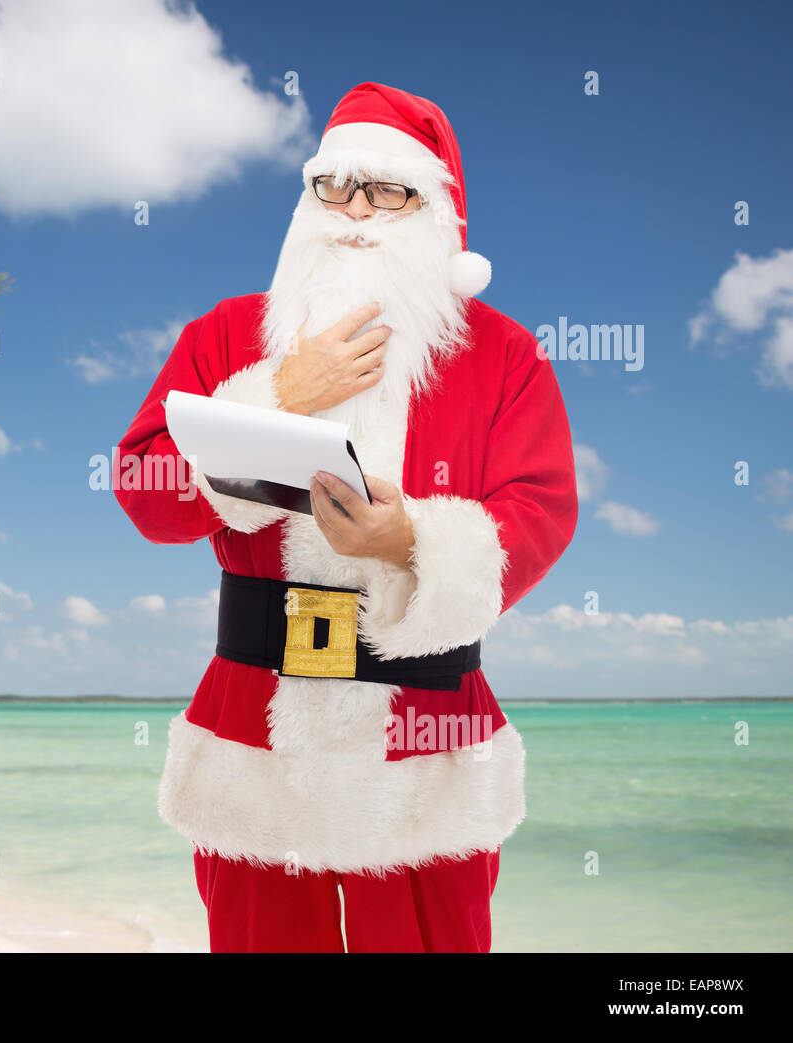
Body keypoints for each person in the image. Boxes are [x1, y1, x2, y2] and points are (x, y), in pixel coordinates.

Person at [114, 81, 579, 952]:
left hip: (427, 734)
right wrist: (282, 396)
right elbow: (144, 490)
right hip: (254, 733)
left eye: (388, 189)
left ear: (435, 211)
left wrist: (408, 540)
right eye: (337, 186)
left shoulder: (506, 354)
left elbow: (543, 510)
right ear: (310, 196)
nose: (356, 212)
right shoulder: (226, 334)